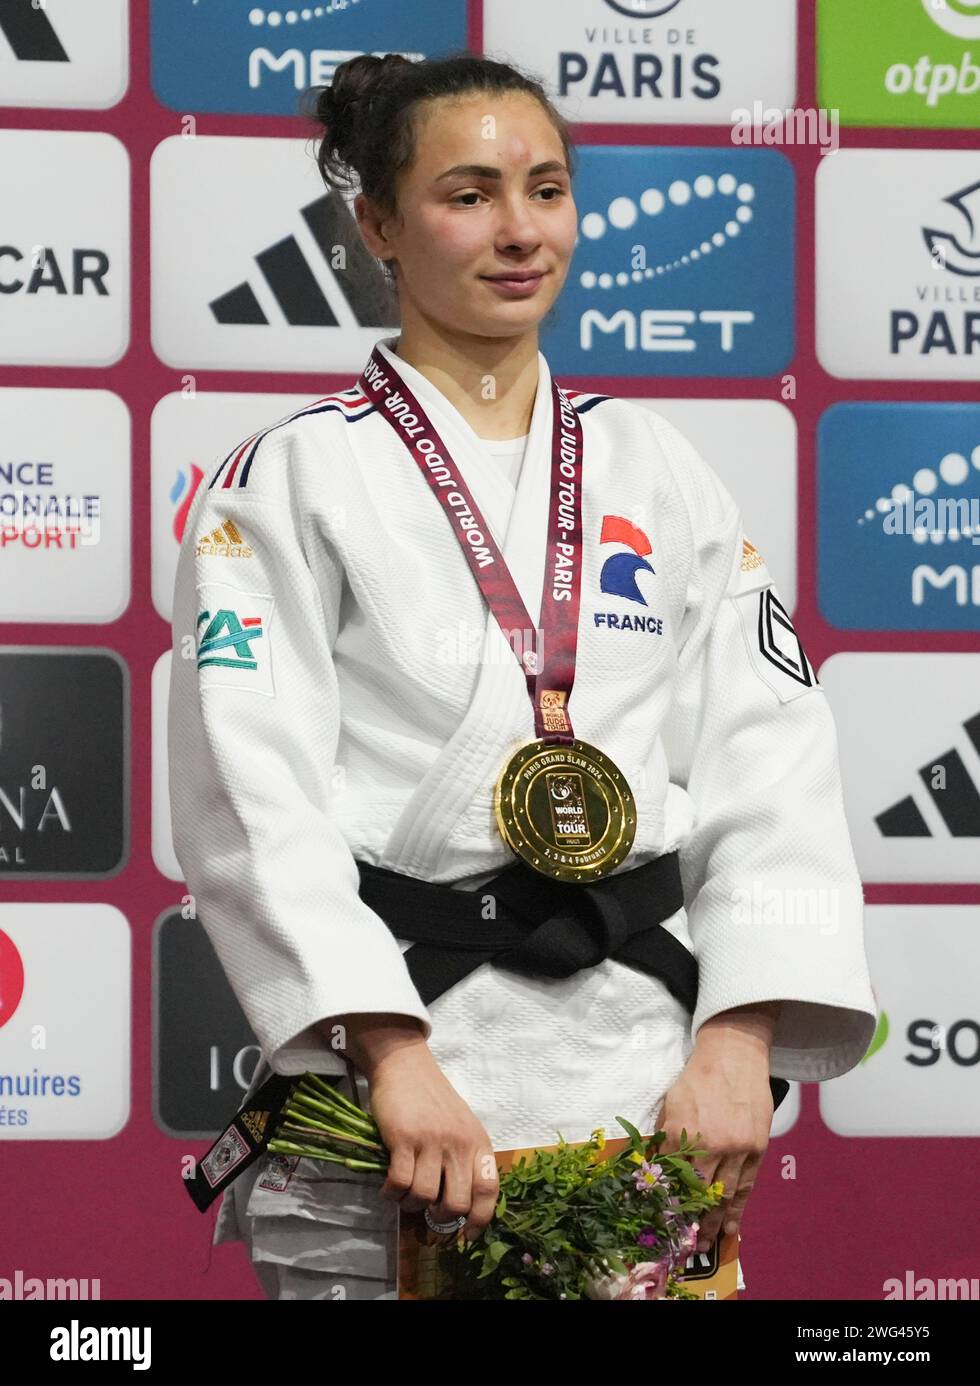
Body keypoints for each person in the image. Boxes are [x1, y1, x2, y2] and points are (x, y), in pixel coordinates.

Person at [167, 50, 878, 1301]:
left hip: (647, 1088)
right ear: (375, 224)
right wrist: (389, 1055)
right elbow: (251, 797)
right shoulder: (286, 479)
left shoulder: (655, 466)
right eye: (469, 193)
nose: (518, 231)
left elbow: (771, 757)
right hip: (400, 1096)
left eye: (545, 189)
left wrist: (737, 1034)